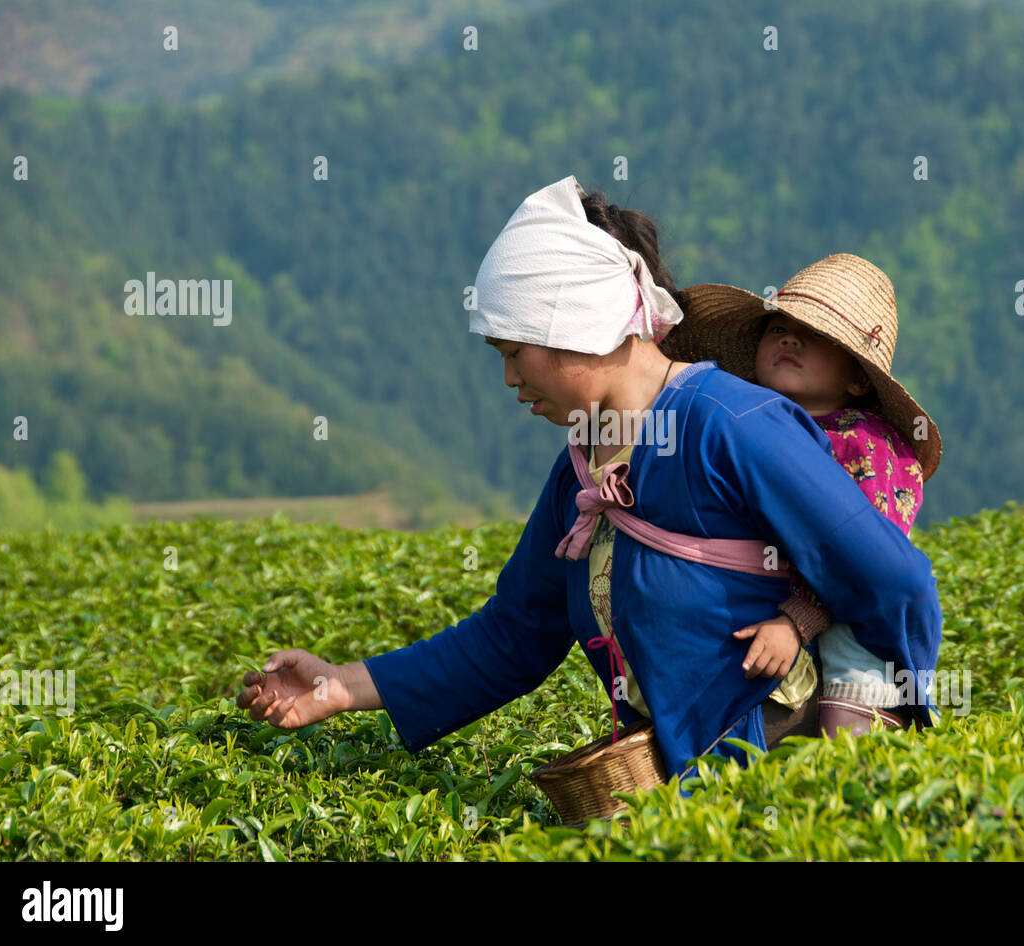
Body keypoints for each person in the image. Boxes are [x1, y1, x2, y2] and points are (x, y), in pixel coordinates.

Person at [236, 175, 943, 781]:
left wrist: (883, 732)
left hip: (773, 797)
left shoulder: (733, 423)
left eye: (518, 351)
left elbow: (893, 579)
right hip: (669, 800)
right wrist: (339, 685)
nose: (510, 378)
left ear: (581, 325)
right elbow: (511, 635)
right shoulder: (581, 467)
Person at [658, 254, 943, 737]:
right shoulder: (748, 431)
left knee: (852, 705)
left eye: (817, 336)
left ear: (857, 377)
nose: (790, 339)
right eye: (778, 329)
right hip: (777, 607)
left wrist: (800, 620)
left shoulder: (868, 444)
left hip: (852, 612)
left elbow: (867, 561)